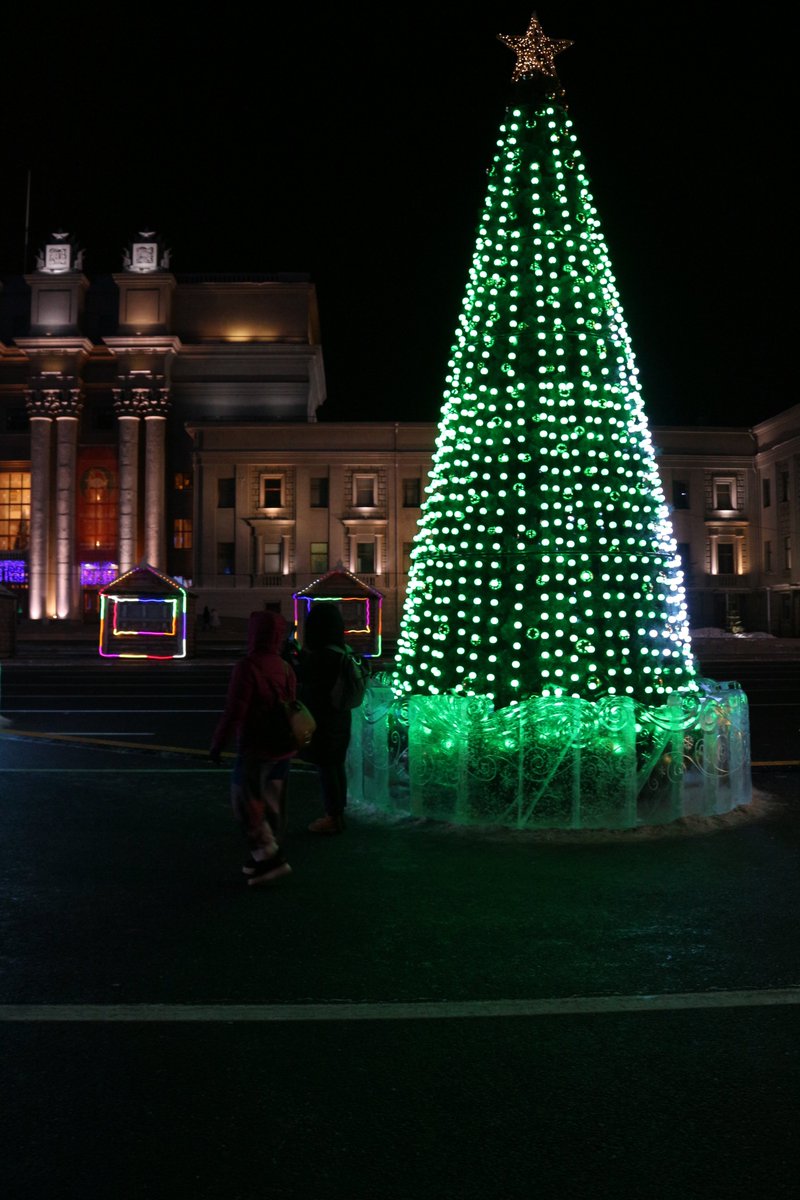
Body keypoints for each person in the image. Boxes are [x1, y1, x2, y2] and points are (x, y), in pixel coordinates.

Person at [209, 610, 296, 886]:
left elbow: (235, 710)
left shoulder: (247, 667)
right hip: (283, 745)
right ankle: (263, 855)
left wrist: (218, 744)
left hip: (256, 746)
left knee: (246, 802)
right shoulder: (285, 666)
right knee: (272, 801)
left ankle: (269, 858)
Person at [296, 603, 352, 835]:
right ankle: (338, 813)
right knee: (336, 764)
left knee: (327, 767)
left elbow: (308, 687)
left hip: (323, 719)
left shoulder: (321, 657)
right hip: (341, 717)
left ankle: (333, 817)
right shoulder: (343, 652)